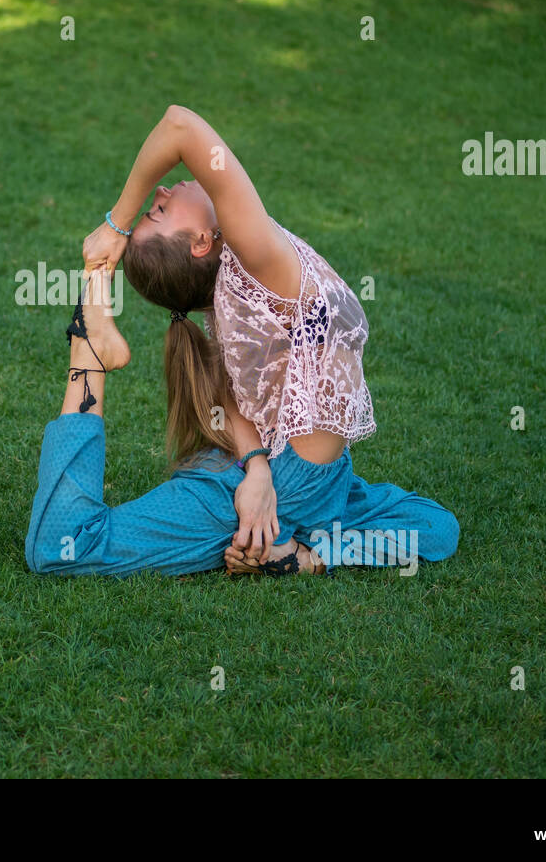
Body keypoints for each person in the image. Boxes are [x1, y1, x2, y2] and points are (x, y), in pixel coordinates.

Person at [25, 106, 459, 577]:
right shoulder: (257, 257)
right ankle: (88, 346)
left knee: (436, 527)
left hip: (312, 481)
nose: (163, 189)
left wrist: (258, 469)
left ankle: (298, 552)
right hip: (267, 484)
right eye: (161, 211)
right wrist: (117, 224)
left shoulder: (236, 282)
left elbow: (236, 390)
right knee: (64, 546)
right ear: (200, 243)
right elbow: (180, 126)